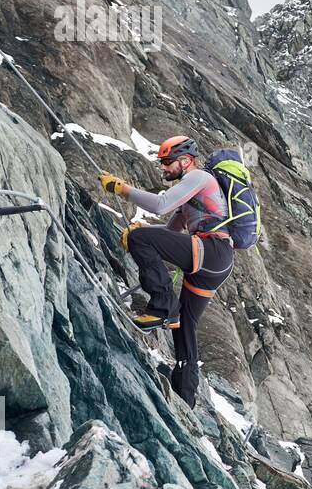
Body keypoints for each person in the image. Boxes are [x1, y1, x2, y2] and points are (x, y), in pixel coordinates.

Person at [98, 135, 233, 407]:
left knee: (141, 241)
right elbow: (171, 233)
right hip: (217, 260)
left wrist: (122, 189)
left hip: (210, 250)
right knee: (185, 323)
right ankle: (186, 392)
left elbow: (160, 205)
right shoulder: (194, 191)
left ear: (185, 161)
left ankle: (162, 306)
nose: (164, 168)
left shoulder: (198, 178)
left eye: (168, 163)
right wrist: (141, 231)